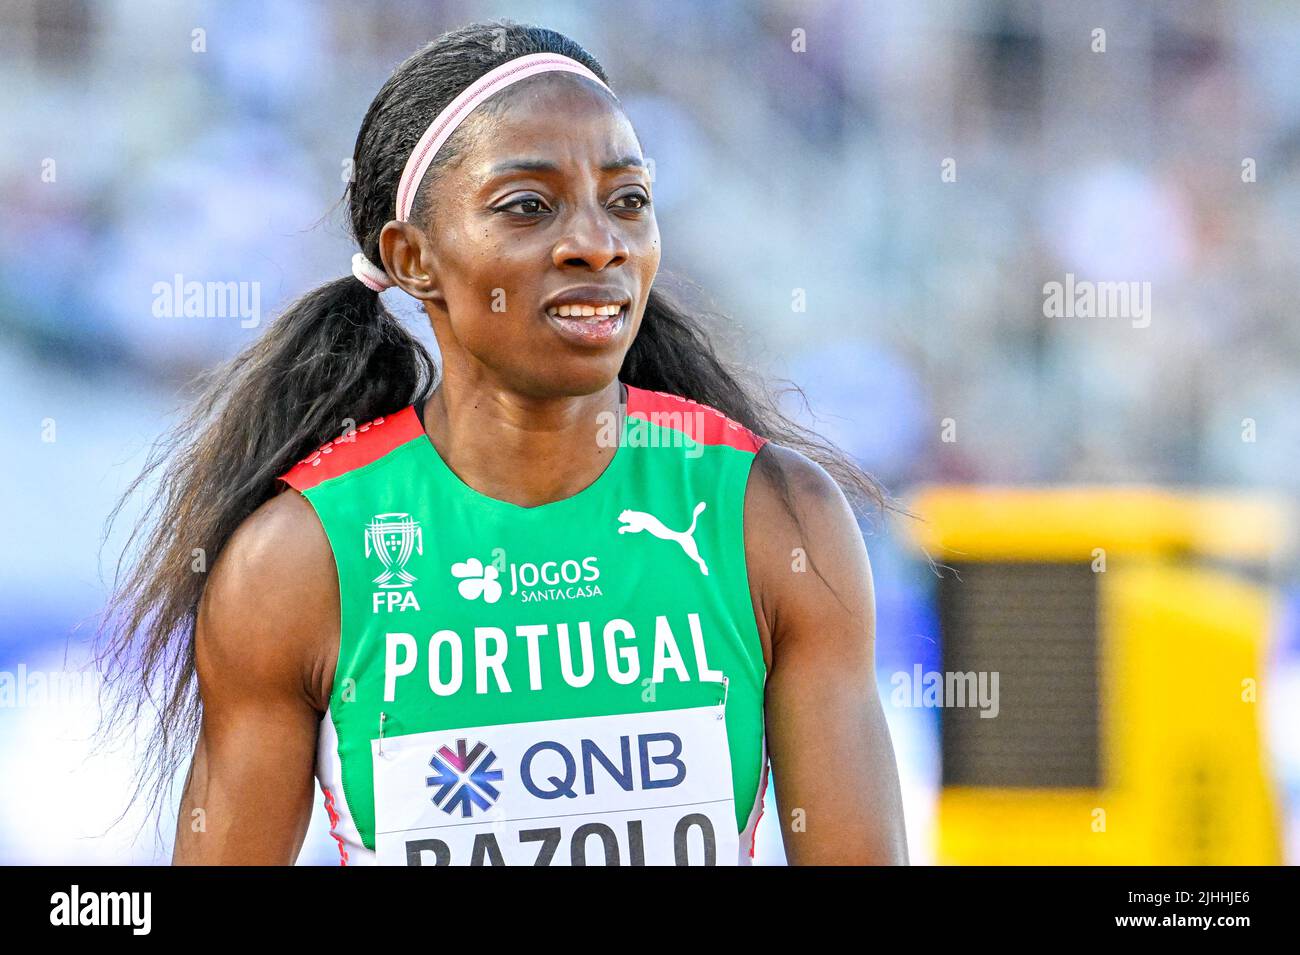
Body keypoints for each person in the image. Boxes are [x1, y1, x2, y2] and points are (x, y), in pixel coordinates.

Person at [101, 19, 908, 866]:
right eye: (529, 205)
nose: (598, 242)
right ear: (413, 258)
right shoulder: (298, 560)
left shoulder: (777, 523)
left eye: (627, 199)